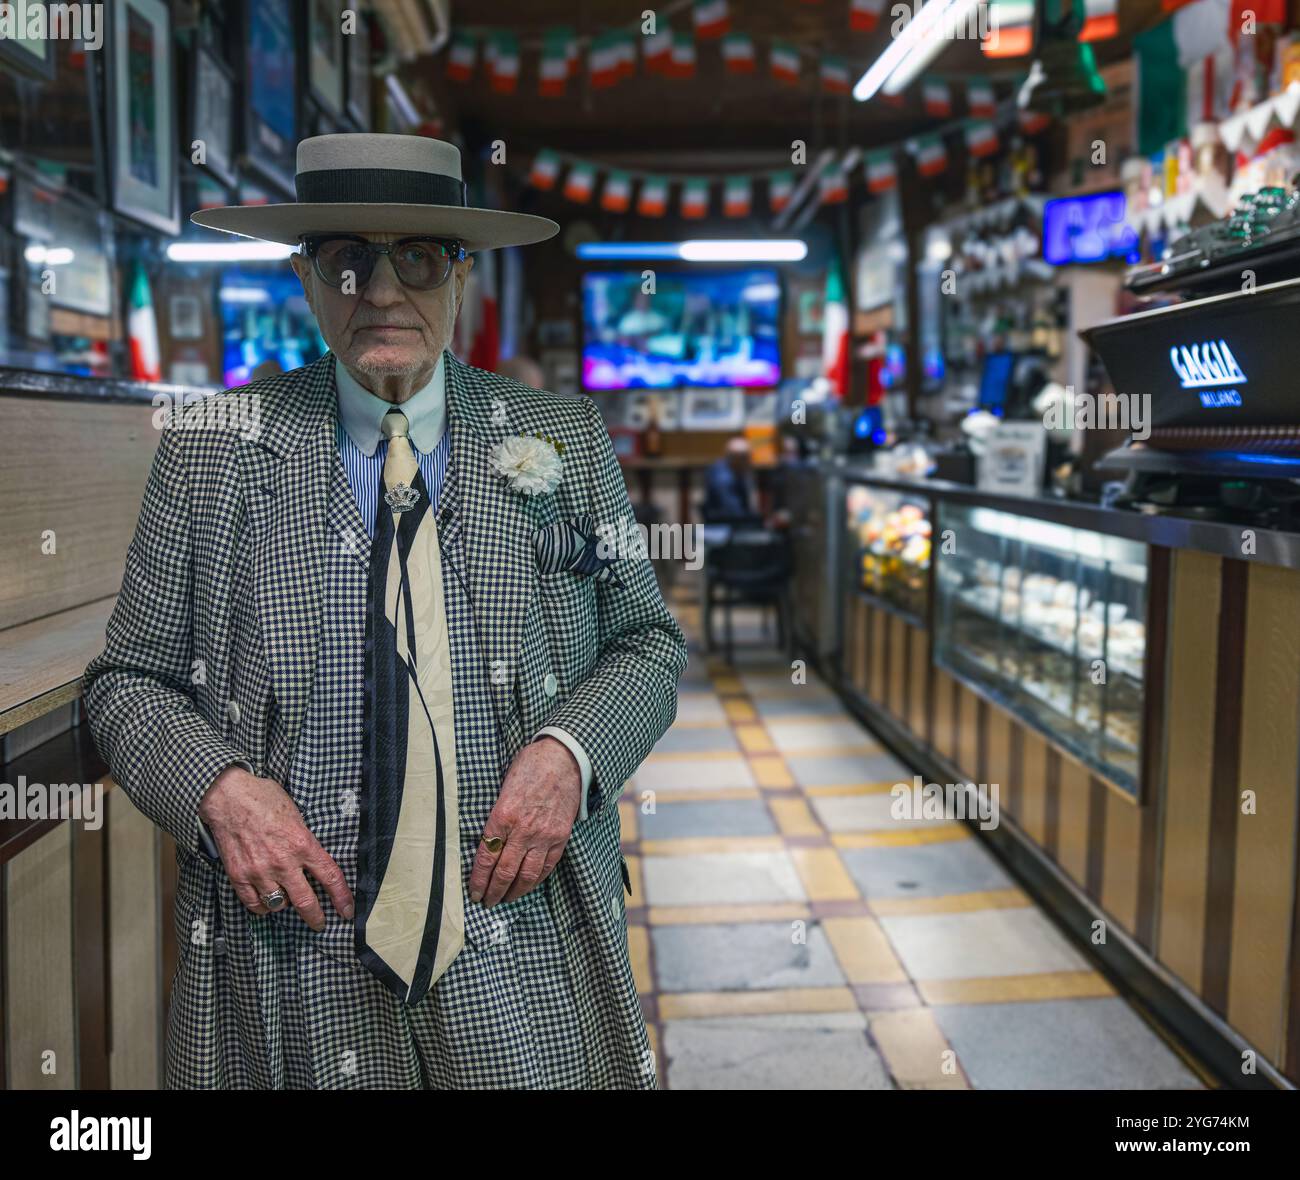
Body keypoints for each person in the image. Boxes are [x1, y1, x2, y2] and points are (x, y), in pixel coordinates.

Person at [82, 133, 687, 1090]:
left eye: (415, 257)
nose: (381, 292)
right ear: (306, 278)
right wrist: (218, 790)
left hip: (519, 937)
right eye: (346, 260)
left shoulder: (561, 436)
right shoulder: (210, 449)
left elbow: (647, 642)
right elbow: (129, 682)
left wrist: (569, 753)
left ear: (461, 277)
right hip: (289, 949)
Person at [702, 435, 762, 526]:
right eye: (747, 458)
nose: (750, 462)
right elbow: (733, 512)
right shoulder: (724, 479)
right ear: (737, 459)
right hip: (723, 527)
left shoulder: (730, 470)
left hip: (728, 523)